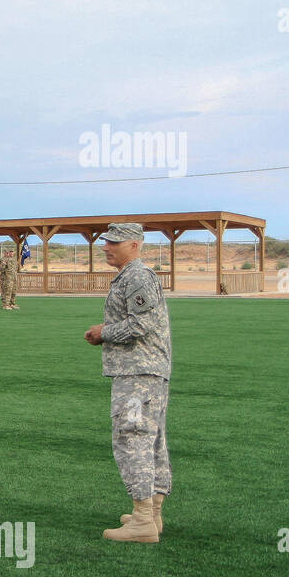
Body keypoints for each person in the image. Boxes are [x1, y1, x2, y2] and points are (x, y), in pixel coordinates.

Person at [84, 222, 172, 543]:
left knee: (132, 438)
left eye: (115, 243)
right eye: (107, 242)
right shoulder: (134, 275)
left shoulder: (136, 276)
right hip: (147, 373)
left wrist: (103, 332)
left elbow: (142, 324)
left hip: (138, 375)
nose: (107, 247)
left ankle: (143, 520)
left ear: (134, 245)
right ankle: (152, 513)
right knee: (151, 441)